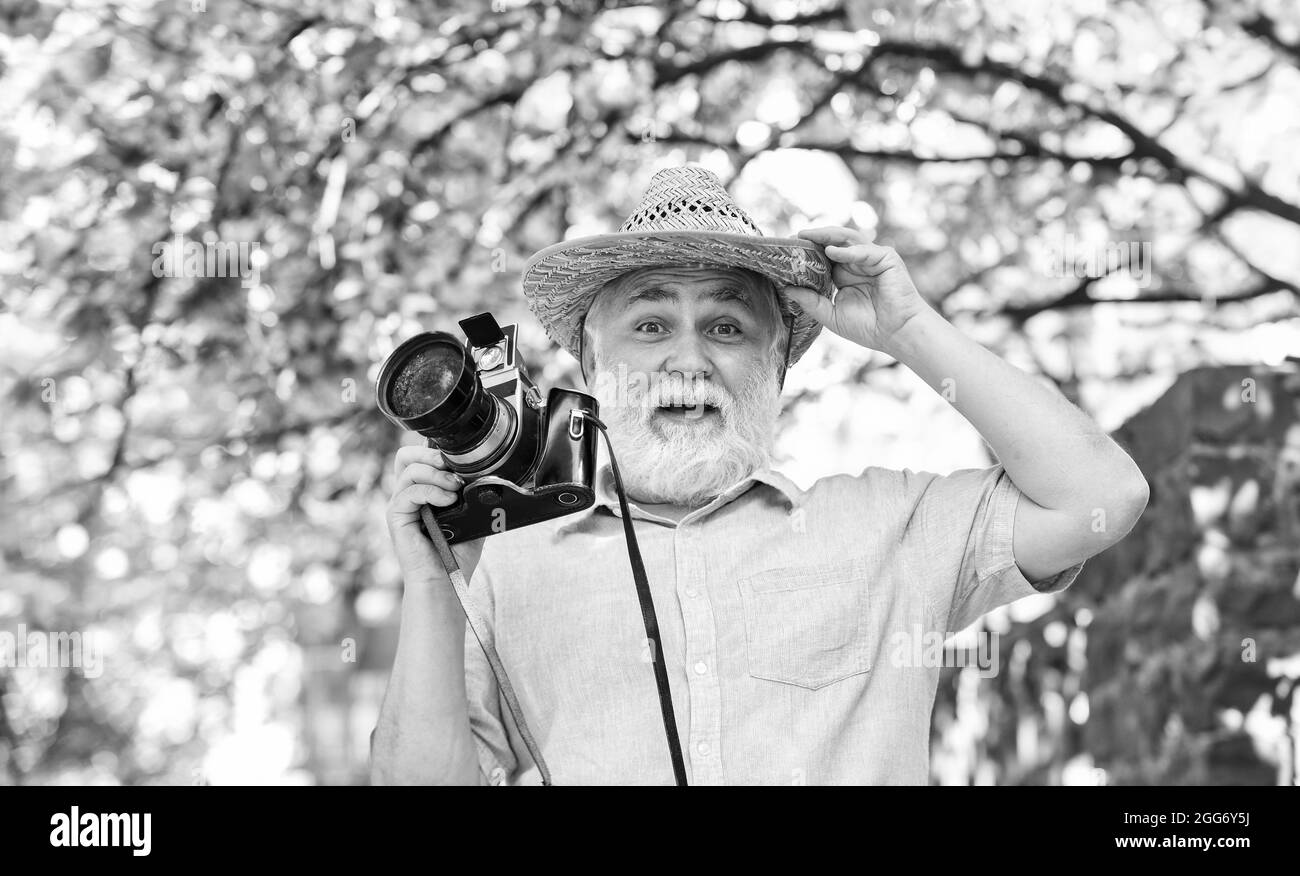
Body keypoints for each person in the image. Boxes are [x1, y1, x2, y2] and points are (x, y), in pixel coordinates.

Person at [370, 166, 1149, 785]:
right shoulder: (503, 566)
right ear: (591, 362)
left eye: (727, 326)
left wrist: (910, 331)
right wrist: (431, 584)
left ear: (775, 365)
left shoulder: (888, 526)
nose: (689, 357)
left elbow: (1101, 497)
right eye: (650, 325)